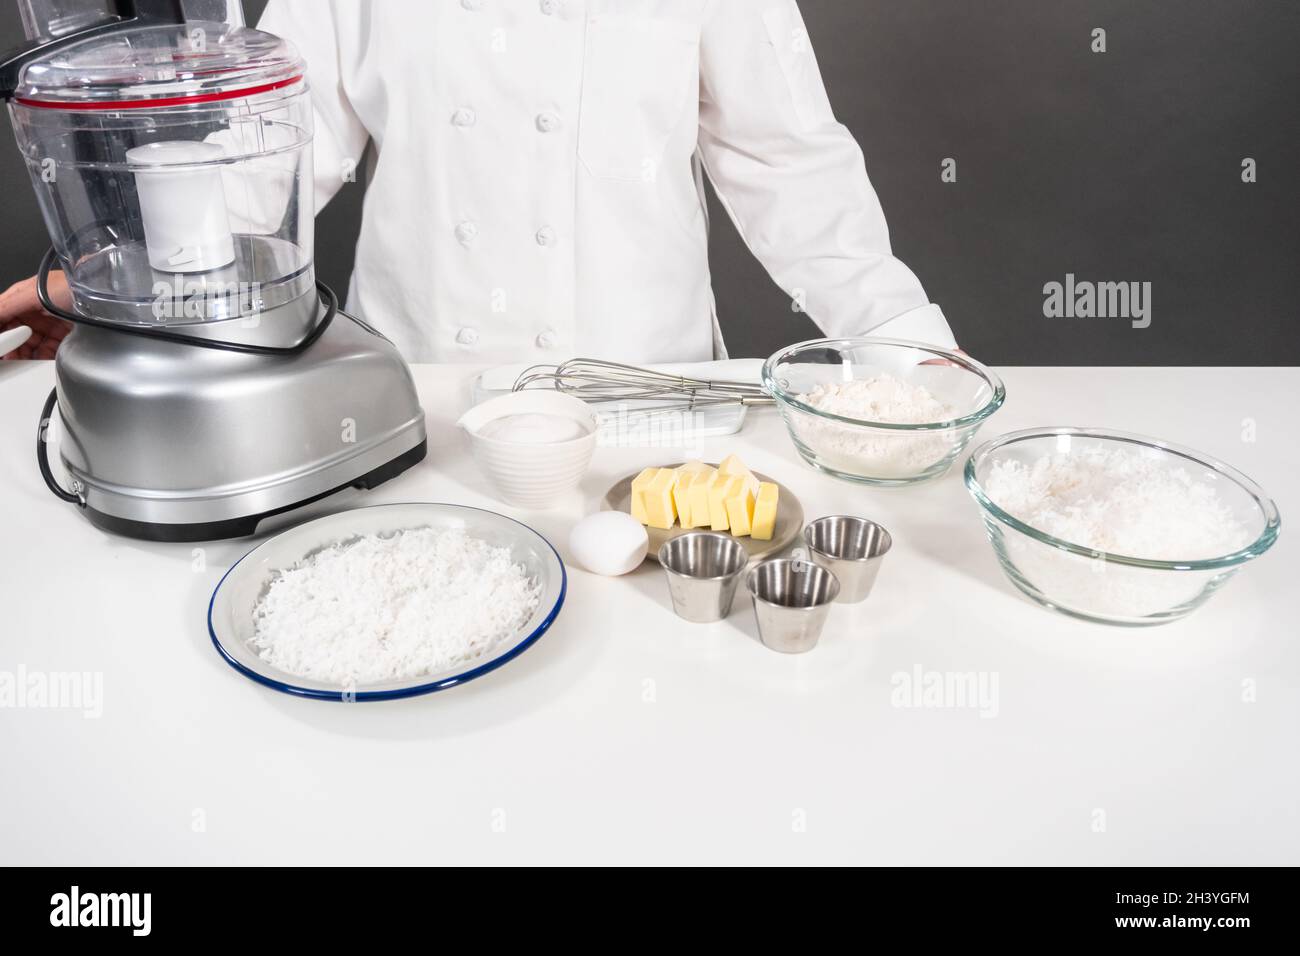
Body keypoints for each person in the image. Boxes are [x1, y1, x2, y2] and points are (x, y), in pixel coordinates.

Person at [1, 0, 958, 363]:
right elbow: (266, 165)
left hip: (644, 388)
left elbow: (789, 163)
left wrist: (912, 359)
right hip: (420, 389)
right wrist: (118, 300)